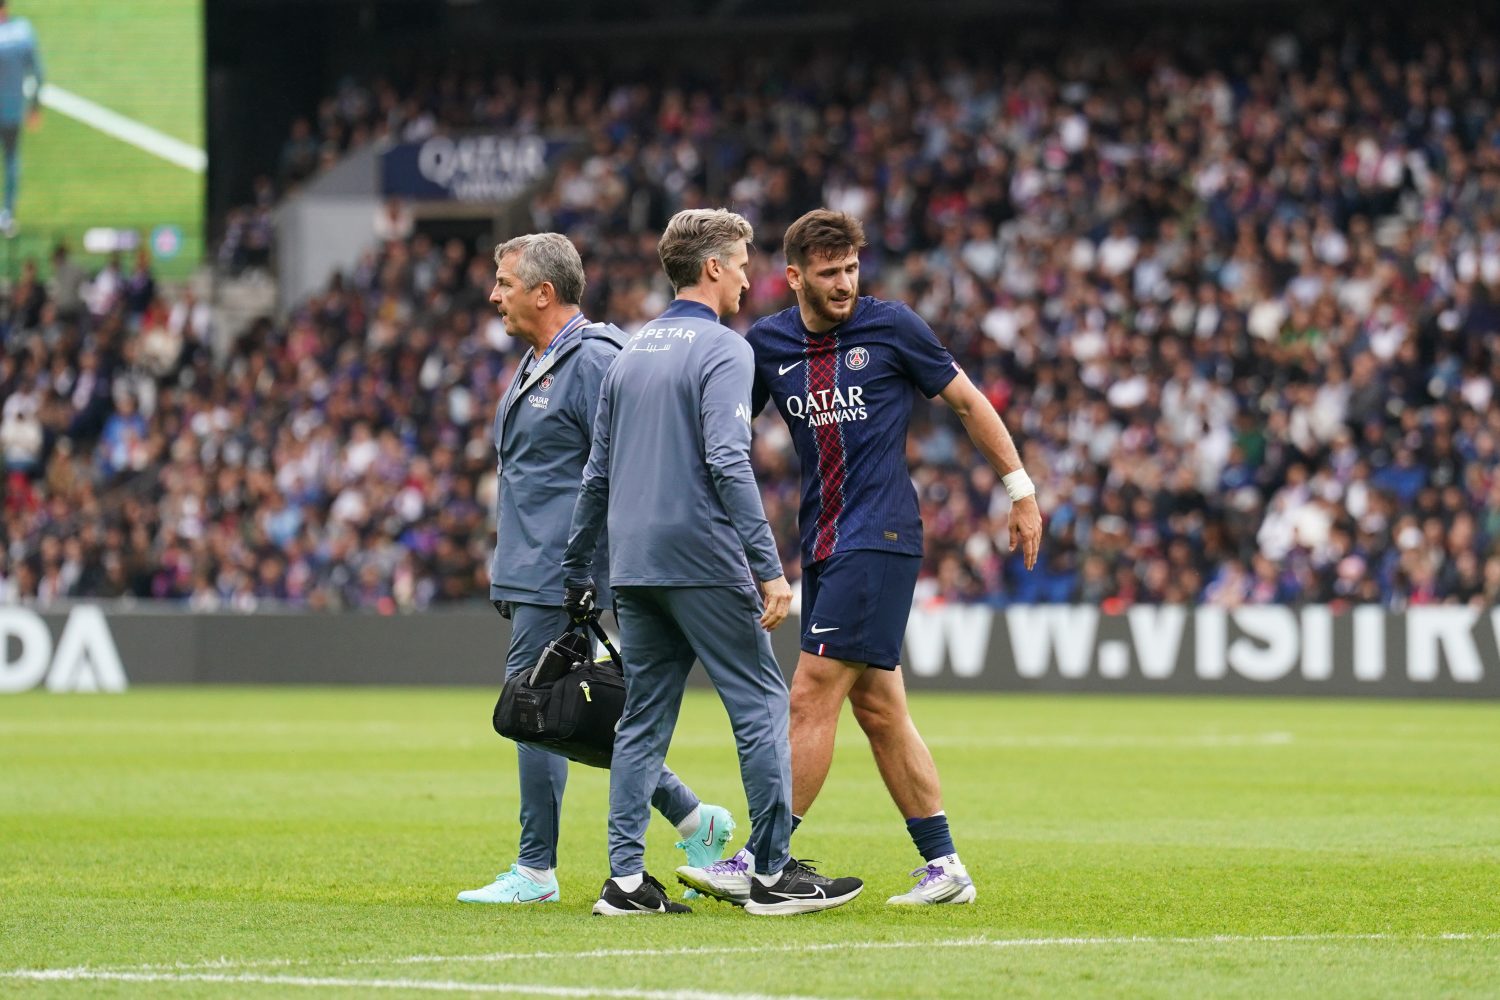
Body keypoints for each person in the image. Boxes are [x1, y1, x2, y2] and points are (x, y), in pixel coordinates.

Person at [679, 208, 1043, 905]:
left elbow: (968, 403)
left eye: (850, 269)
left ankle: (763, 855)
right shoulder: (768, 344)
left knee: (811, 693)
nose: (844, 283)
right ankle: (946, 867)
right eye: (827, 273)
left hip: (880, 538)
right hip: (822, 541)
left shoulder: (893, 326)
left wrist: (1019, 489)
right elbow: (725, 431)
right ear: (793, 278)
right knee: (878, 709)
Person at [562, 208, 863, 916]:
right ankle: (773, 873)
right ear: (713, 269)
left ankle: (626, 881)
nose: (750, 275)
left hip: (634, 564)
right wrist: (767, 565)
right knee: (760, 704)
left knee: (642, 720)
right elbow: (728, 460)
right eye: (742, 261)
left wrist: (579, 567)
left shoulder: (629, 351)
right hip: (702, 556)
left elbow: (596, 474)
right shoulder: (728, 350)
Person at [458, 232, 735, 907]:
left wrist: (594, 565)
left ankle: (535, 869)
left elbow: (629, 460)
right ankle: (698, 819)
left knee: (534, 708)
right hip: (531, 567)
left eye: (504, 282)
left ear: (544, 292)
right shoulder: (541, 362)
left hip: (562, 570)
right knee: (570, 712)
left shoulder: (595, 360)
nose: (494, 295)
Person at [0, 0, 41, 236]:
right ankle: (8, 213)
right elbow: (37, 72)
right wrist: (35, 106)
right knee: (12, 161)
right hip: (13, 110)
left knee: (12, 161)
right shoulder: (23, 30)